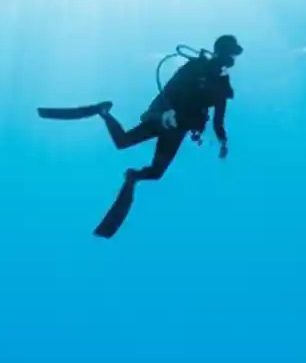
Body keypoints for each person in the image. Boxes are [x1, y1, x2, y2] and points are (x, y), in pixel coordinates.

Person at [37, 34, 244, 238]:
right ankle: (103, 112)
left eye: (234, 55)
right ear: (221, 52)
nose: (233, 59)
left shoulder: (222, 84)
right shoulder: (196, 67)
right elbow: (170, 89)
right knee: (122, 142)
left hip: (178, 129)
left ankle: (131, 175)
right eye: (231, 54)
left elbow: (218, 119)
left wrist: (223, 140)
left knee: (155, 172)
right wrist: (166, 111)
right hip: (162, 117)